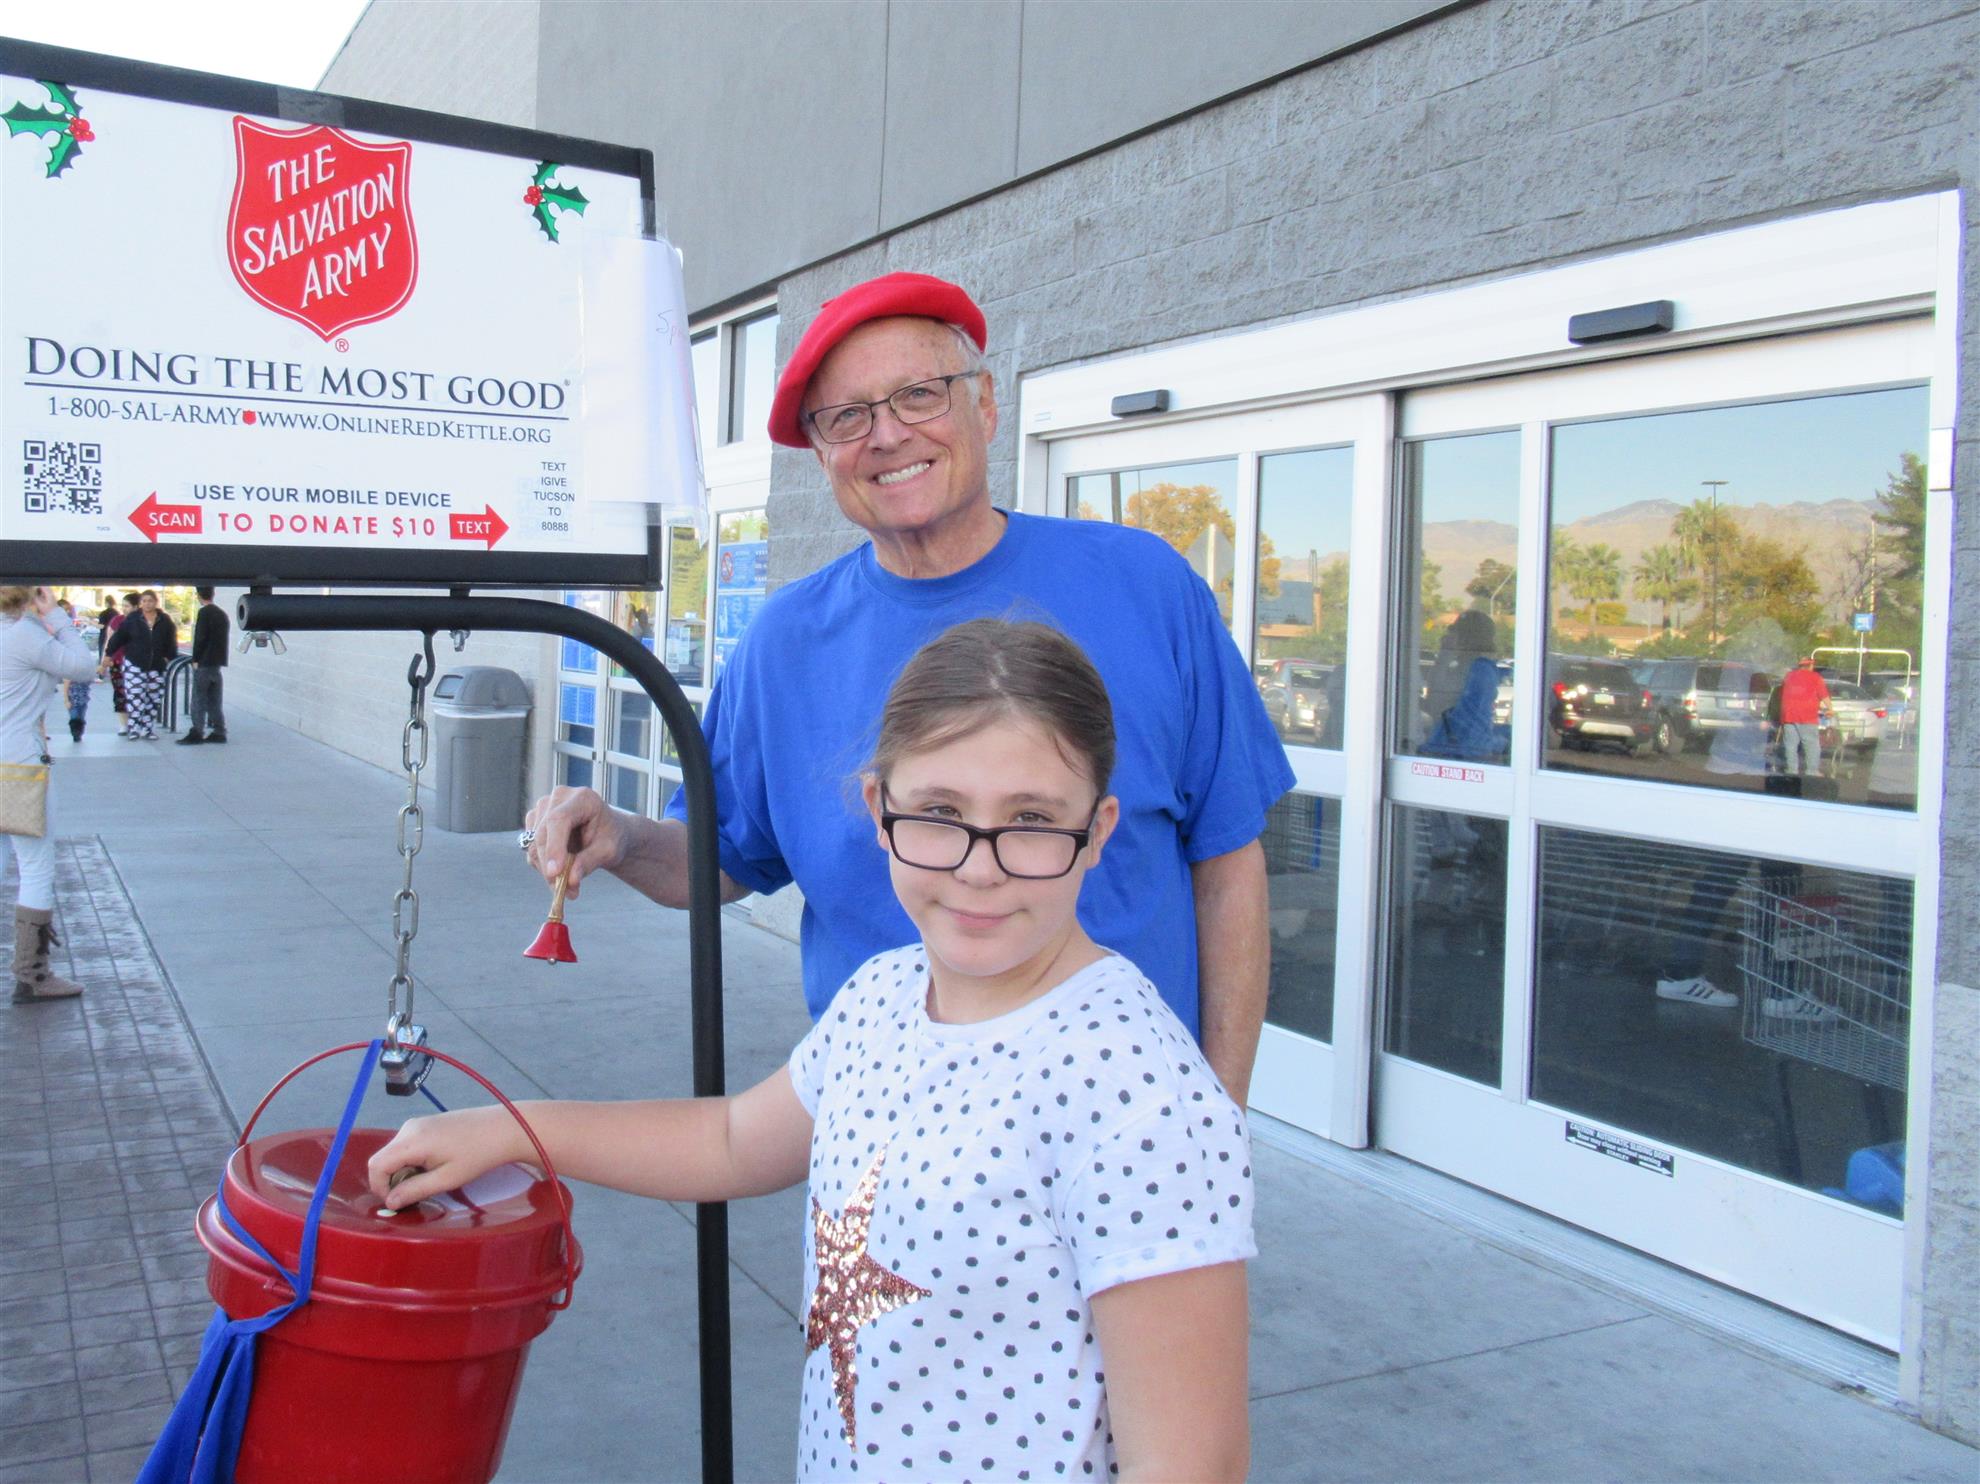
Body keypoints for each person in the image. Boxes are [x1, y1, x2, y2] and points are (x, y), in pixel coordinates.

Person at [379, 619, 1253, 1481]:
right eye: (940, 813)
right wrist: (512, 1129)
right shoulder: (882, 995)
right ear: (879, 809)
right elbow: (730, 1141)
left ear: (1099, 830)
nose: (978, 867)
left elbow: (1190, 1463)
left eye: (1031, 819)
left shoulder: (1140, 1093)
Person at [526, 272, 1291, 1102]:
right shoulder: (784, 644)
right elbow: (725, 861)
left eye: (919, 395)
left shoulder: (1145, 585)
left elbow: (1228, 860)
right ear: (823, 454)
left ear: (986, 407)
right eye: (847, 417)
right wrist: (623, 839)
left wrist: (1220, 1116)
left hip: (1129, 1132)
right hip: (886, 1136)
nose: (886, 435)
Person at [1, 585, 97, 1001]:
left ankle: (30, 971)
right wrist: (57, 615)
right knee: (36, 865)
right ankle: (32, 973)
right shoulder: (24, 634)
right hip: (17, 764)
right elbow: (83, 666)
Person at [102, 589, 176, 741]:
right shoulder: (133, 619)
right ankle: (134, 728)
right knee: (136, 697)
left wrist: (167, 658)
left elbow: (171, 641)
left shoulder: (165, 620)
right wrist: (108, 654)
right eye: (144, 601)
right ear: (140, 603)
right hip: (135, 664)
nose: (147, 604)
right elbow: (118, 637)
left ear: (156, 602)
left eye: (150, 601)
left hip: (156, 666)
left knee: (153, 698)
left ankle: (147, 729)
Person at [178, 586, 229, 745]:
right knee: (215, 700)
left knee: (199, 698)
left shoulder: (204, 613)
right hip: (217, 663)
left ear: (199, 595)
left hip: (204, 663)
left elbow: (200, 638)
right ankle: (219, 731)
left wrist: (196, 659)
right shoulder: (221, 614)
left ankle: (197, 732)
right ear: (213, 594)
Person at [1776, 656, 1831, 776]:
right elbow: (1823, 695)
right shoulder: (1815, 677)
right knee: (1811, 744)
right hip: (1807, 716)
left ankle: (1791, 771)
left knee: (1790, 745)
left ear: (1800, 666)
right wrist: (1830, 709)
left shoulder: (1789, 676)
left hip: (1788, 715)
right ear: (1811, 666)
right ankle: (1812, 771)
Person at [56, 599, 92, 742]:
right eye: (63, 609)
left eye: (68, 610)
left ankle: (78, 729)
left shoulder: (71, 626)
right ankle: (76, 730)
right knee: (75, 713)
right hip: (72, 685)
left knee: (81, 711)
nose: (66, 613)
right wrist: (65, 698)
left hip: (81, 690)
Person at [100, 592, 132, 735]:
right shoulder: (117, 621)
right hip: (117, 661)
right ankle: (124, 724)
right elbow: (109, 640)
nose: (124, 609)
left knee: (135, 693)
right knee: (120, 693)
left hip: (136, 662)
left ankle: (135, 720)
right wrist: (104, 661)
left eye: (127, 606)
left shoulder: (142, 620)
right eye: (123, 606)